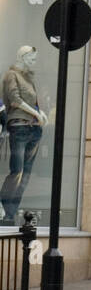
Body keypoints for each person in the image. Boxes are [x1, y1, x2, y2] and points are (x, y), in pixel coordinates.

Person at [1, 45, 47, 223]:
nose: (34, 63)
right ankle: (5, 205)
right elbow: (15, 99)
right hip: (19, 127)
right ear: (21, 57)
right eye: (32, 59)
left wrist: (39, 113)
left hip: (34, 129)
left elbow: (32, 100)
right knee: (17, 171)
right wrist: (36, 113)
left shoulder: (29, 78)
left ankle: (10, 212)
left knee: (26, 174)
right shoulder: (12, 75)